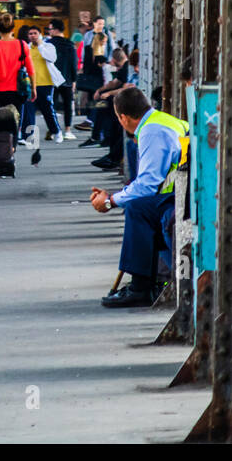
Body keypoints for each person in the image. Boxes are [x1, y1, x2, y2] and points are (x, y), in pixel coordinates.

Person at [92, 87, 188, 307]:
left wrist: (110, 201)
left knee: (138, 209)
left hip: (180, 197)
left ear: (123, 117)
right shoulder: (161, 121)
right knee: (140, 207)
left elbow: (146, 186)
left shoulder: (152, 132)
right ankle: (144, 282)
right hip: (182, 192)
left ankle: (141, 287)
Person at [21, 26, 65, 145]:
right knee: (28, 111)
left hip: (46, 83)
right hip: (30, 84)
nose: (33, 35)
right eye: (30, 34)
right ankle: (28, 137)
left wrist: (40, 45)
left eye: (35, 33)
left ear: (40, 34)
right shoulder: (26, 48)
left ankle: (56, 132)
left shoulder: (48, 46)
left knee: (47, 110)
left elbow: (52, 58)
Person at [0, 12, 37, 116]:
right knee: (16, 123)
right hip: (19, 91)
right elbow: (30, 68)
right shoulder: (22, 44)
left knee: (1, 125)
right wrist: (33, 88)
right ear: (13, 29)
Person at [46, 19, 79, 139]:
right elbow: (73, 63)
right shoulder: (69, 44)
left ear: (55, 30)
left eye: (50, 29)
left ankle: (53, 130)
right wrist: (74, 79)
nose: (49, 32)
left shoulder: (48, 44)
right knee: (67, 105)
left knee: (51, 105)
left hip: (51, 79)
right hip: (67, 79)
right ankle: (68, 130)